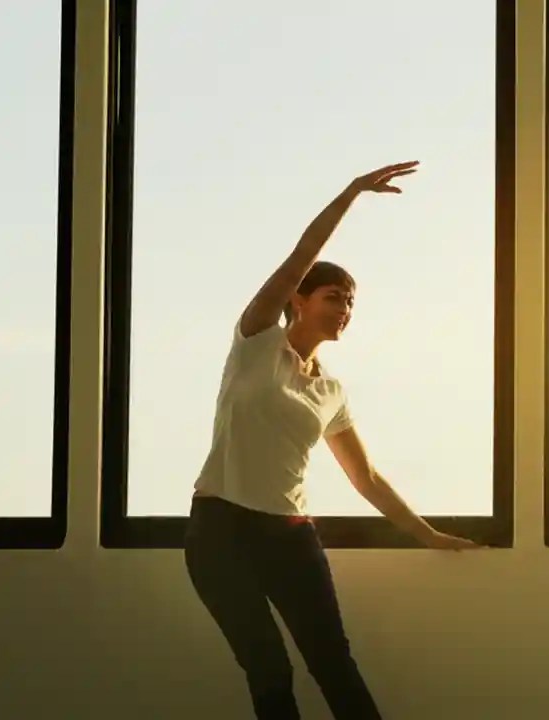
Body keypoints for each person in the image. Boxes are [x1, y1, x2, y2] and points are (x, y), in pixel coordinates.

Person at [183, 161, 483, 720]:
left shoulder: (332, 391)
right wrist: (351, 194)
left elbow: (365, 478)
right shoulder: (255, 343)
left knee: (333, 662)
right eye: (333, 297)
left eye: (350, 302)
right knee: (270, 668)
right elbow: (299, 256)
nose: (344, 309)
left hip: (289, 536)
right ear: (300, 299)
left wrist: (426, 533)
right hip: (219, 531)